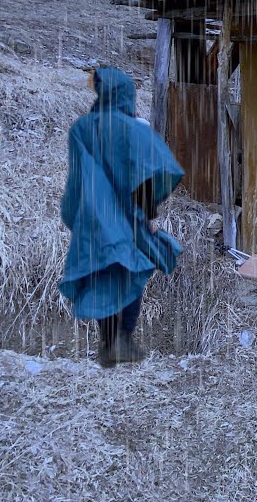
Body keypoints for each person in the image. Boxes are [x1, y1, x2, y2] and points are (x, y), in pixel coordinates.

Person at [59, 67, 185, 368]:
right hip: (127, 216)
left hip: (94, 217)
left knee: (104, 276)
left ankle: (109, 343)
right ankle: (121, 340)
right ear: (127, 94)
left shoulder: (82, 128)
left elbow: (78, 178)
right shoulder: (134, 129)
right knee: (131, 273)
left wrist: (73, 212)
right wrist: (148, 205)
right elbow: (161, 167)